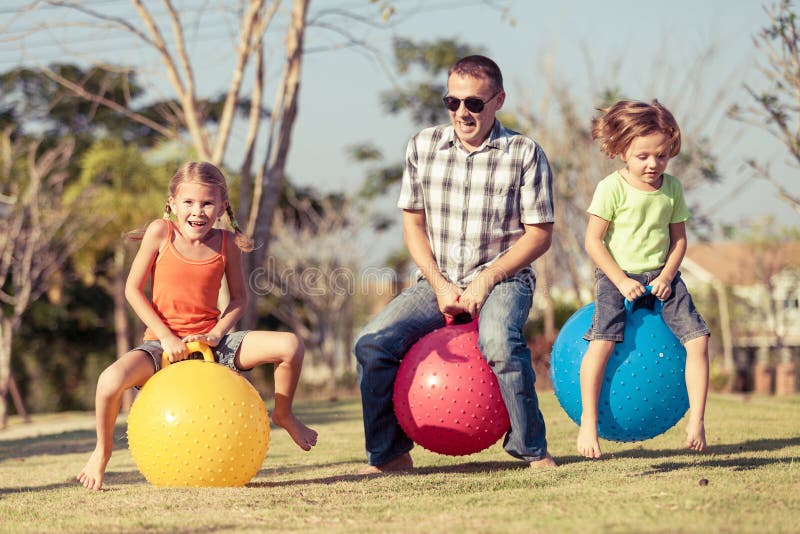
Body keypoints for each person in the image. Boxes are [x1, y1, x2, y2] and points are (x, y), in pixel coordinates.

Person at [353, 55, 557, 473]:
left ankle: (530, 449)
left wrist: (487, 279)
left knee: (499, 341)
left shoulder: (524, 153)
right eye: (453, 101)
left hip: (505, 280)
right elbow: (412, 225)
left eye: (475, 103)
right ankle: (388, 453)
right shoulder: (422, 146)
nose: (462, 112)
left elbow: (539, 234)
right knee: (371, 343)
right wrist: (441, 285)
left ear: (498, 100)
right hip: (437, 281)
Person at [77, 161, 317, 491]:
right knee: (108, 381)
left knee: (290, 346)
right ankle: (101, 453)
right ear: (172, 203)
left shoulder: (227, 243)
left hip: (212, 343)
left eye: (207, 203)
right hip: (161, 346)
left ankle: (284, 414)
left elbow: (238, 300)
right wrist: (166, 336)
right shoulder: (160, 232)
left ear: (222, 206)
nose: (198, 211)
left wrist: (217, 332)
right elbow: (132, 290)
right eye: (188, 202)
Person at [577, 100, 710, 459]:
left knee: (698, 341)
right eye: (643, 156)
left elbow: (679, 240)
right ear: (622, 151)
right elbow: (593, 241)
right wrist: (620, 281)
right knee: (603, 341)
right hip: (616, 276)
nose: (653, 164)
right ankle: (589, 422)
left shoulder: (672, 189)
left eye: (662, 156)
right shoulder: (611, 188)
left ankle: (697, 420)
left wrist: (667, 276)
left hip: (662, 277)